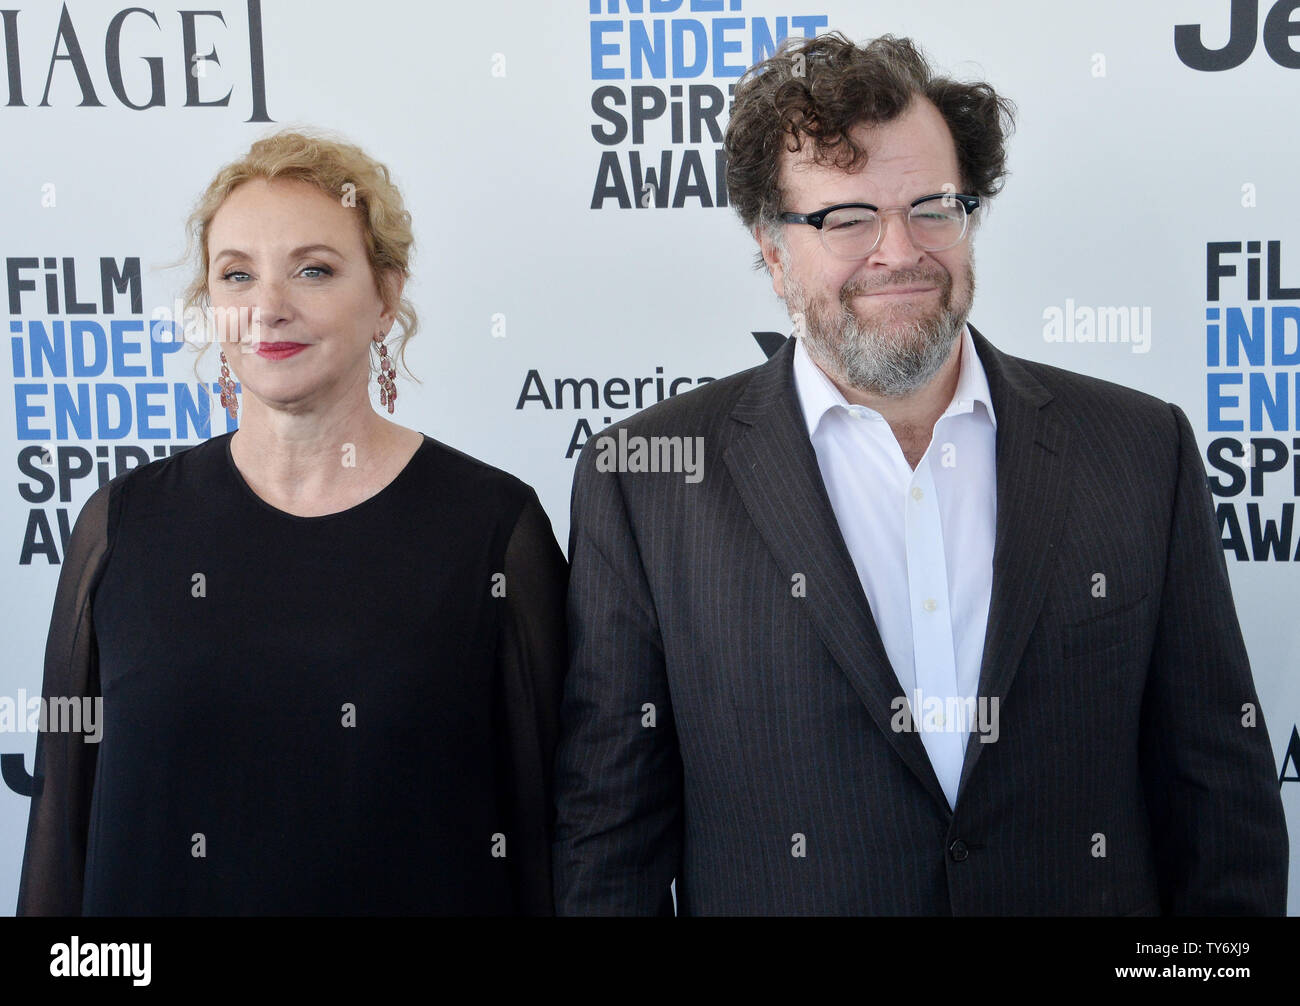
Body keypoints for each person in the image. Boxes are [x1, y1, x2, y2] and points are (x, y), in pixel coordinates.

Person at [552, 32, 1288, 915]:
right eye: (846, 217)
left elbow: (1222, 806)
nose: (899, 252)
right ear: (773, 249)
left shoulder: (1138, 449)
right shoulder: (647, 482)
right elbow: (611, 838)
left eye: (933, 207)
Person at [17, 129, 567, 915]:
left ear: (385, 295)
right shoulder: (123, 527)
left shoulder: (491, 528)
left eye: (313, 270)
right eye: (237, 275)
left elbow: (556, 837)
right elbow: (61, 835)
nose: (268, 308)